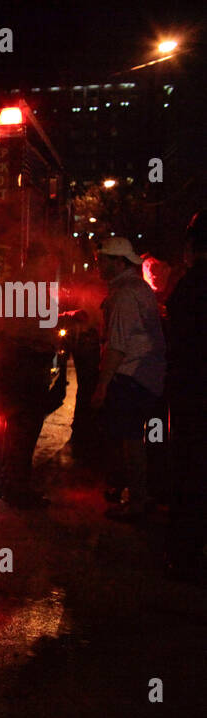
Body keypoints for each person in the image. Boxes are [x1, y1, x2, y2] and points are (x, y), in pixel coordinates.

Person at [92, 237, 167, 521]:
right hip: (146, 376)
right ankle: (141, 494)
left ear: (119, 262)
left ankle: (136, 502)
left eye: (104, 260)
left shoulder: (124, 294)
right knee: (137, 438)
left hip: (132, 376)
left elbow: (117, 346)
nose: (99, 265)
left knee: (131, 439)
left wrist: (101, 386)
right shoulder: (136, 288)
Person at [0, 246, 65, 509]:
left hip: (17, 364)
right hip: (26, 367)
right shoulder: (30, 287)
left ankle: (8, 483)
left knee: (17, 428)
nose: (51, 266)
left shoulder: (21, 284)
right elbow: (30, 328)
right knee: (25, 429)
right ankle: (17, 489)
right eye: (50, 260)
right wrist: (48, 345)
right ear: (41, 259)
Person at [163, 211, 207, 581]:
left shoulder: (191, 286)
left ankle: (184, 553)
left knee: (190, 471)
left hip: (191, 395)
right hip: (191, 391)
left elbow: (177, 339)